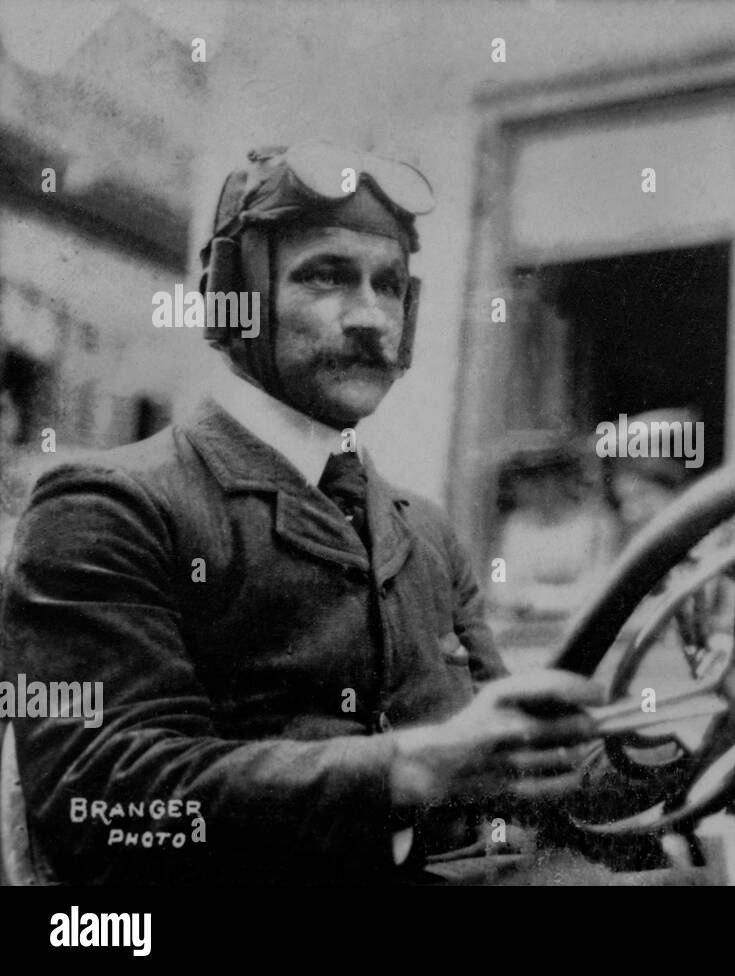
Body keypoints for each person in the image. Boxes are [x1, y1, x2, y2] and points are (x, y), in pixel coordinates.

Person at [0, 143, 605, 884]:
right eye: (325, 276)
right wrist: (409, 766)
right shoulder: (111, 506)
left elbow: (514, 763)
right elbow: (102, 797)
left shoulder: (424, 530)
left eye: (389, 287)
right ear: (239, 297)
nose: (369, 318)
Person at [488, 431, 619, 621]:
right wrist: (512, 597)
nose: (534, 488)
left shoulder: (597, 524)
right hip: (525, 632)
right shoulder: (513, 527)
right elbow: (498, 582)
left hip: (583, 626)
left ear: (564, 478)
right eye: (526, 479)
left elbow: (600, 585)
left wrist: (534, 599)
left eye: (542, 478)